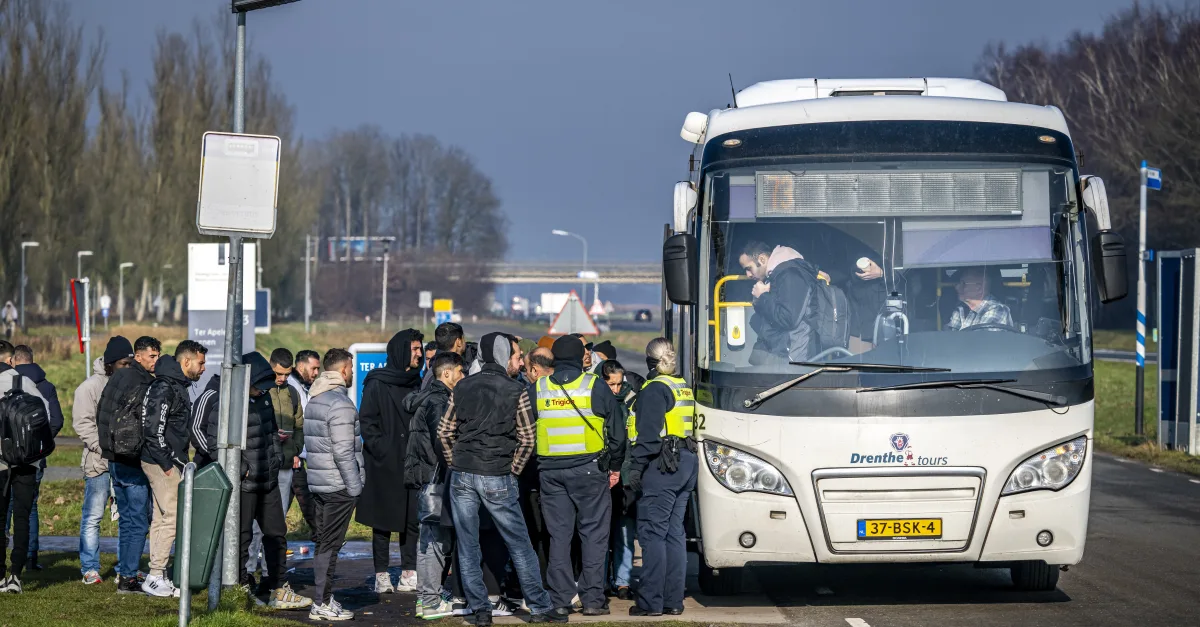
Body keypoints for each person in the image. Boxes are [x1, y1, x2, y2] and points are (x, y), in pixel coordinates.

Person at [437, 332, 561, 625]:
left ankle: (480, 610)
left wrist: (456, 461)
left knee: (467, 544)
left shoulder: (463, 386)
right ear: (505, 357)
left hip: (463, 473)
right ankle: (540, 607)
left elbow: (444, 431)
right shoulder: (515, 389)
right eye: (515, 356)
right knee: (519, 543)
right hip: (498, 473)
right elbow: (528, 438)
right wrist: (513, 469)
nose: (519, 361)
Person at [534, 336, 626, 617]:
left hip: (550, 473)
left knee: (558, 537)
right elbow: (617, 431)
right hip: (589, 470)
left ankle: (561, 599)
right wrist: (615, 464)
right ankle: (593, 600)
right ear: (578, 357)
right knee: (594, 536)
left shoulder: (538, 387)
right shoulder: (593, 384)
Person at [236, 352, 312, 610]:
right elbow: (217, 439)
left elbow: (279, 431)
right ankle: (242, 585)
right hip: (247, 479)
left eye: (283, 375)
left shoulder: (274, 396)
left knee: (276, 531)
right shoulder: (236, 400)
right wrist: (242, 468)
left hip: (270, 473)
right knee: (245, 534)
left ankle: (276, 584)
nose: (278, 381)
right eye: (274, 375)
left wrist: (284, 455)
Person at [627, 339, 697, 617]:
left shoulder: (655, 389)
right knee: (674, 533)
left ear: (649, 362)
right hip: (686, 462)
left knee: (652, 534)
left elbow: (648, 436)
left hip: (663, 465)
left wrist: (636, 467)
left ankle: (651, 602)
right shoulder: (680, 385)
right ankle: (673, 601)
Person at [358, 329, 424, 594]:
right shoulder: (377, 382)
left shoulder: (416, 382)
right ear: (401, 351)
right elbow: (367, 421)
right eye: (415, 349)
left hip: (412, 462)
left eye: (420, 349)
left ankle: (409, 571)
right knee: (383, 521)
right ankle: (381, 574)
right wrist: (383, 448)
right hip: (384, 463)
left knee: (412, 521)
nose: (419, 354)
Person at [139, 340, 206, 596]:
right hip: (161, 461)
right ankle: (156, 574)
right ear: (186, 361)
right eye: (200, 363)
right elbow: (152, 429)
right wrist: (167, 464)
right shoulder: (164, 387)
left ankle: (157, 574)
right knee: (175, 516)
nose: (203, 368)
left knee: (161, 516)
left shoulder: (176, 385)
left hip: (167, 459)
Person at [404, 351, 466, 619]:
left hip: (427, 474)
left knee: (430, 538)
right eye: (460, 372)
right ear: (447, 373)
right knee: (435, 540)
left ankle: (427, 597)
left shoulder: (428, 396)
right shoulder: (439, 400)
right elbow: (441, 440)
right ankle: (429, 599)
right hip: (436, 476)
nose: (463, 377)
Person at [305, 348, 364, 621]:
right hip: (338, 485)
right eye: (350, 368)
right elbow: (343, 452)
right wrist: (355, 488)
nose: (352, 372)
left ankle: (324, 598)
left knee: (323, 544)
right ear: (342, 370)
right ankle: (322, 603)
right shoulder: (340, 404)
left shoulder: (315, 398)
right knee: (330, 546)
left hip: (319, 482)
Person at [98, 337, 156, 594]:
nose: (156, 361)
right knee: (138, 521)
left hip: (113, 459)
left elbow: (103, 413)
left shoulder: (118, 377)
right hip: (131, 460)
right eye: (152, 356)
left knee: (126, 521)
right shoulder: (140, 381)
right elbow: (138, 422)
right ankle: (129, 577)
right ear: (139, 356)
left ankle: (125, 570)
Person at [74, 336, 133, 585]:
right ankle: (90, 568)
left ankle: (125, 567)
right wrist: (103, 448)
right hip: (98, 462)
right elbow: (82, 423)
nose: (127, 368)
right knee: (93, 516)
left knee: (126, 517)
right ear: (110, 364)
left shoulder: (131, 384)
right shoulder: (89, 388)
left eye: (131, 363)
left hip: (125, 462)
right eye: (123, 363)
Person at [6, 345, 64, 572]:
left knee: (6, 507)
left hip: (7, 454)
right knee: (30, 507)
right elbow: (57, 420)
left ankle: (6, 557)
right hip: (35, 457)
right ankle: (30, 557)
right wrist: (39, 444)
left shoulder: (9, 382)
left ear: (13, 362)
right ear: (32, 360)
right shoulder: (46, 386)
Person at [0, 346, 50, 594]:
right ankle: (16, 574)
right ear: (10, 360)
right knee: (22, 516)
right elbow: (45, 416)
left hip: (0, 462)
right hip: (27, 461)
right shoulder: (25, 381)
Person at [739, 240, 823, 365]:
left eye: (749, 268)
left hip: (790, 359)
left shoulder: (790, 274)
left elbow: (788, 318)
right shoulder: (778, 275)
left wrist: (763, 297)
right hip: (780, 355)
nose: (747, 275)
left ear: (762, 259)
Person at [600, 360, 636, 601]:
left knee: (624, 530)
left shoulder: (633, 400)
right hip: (603, 473)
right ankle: (600, 581)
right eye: (610, 383)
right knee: (600, 531)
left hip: (626, 476)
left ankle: (623, 581)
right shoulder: (594, 399)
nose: (615, 389)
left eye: (619, 383)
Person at [268, 348, 306, 538]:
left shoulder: (293, 392)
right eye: (278, 374)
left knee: (279, 520)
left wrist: (295, 450)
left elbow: (299, 425)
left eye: (287, 374)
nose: (282, 378)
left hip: (285, 463)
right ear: (270, 366)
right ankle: (249, 566)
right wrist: (273, 436)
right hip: (264, 464)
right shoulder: (261, 390)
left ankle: (271, 567)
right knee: (259, 522)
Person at [285, 349, 319, 535]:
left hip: (300, 453)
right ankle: (321, 536)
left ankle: (320, 535)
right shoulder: (290, 385)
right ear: (301, 365)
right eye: (313, 368)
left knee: (299, 496)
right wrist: (294, 451)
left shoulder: (304, 386)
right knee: (303, 495)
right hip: (293, 454)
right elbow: (290, 421)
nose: (316, 373)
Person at [947, 267, 1013, 331]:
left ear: (979, 288)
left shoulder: (997, 310)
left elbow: (983, 341)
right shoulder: (961, 309)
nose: (957, 287)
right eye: (959, 283)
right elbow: (949, 337)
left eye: (963, 284)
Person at [422, 322, 465, 390]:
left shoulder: (433, 369)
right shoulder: (439, 373)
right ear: (458, 342)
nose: (463, 376)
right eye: (460, 372)